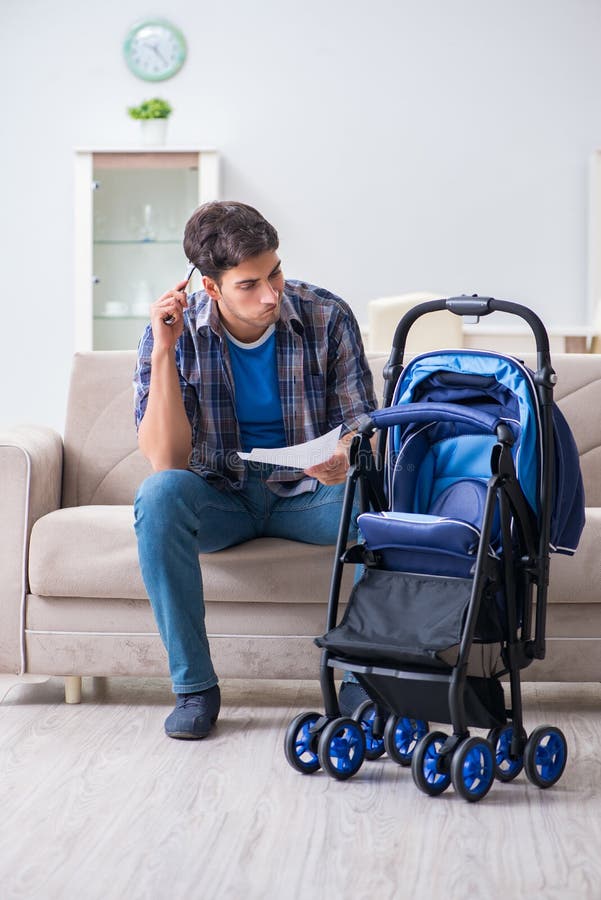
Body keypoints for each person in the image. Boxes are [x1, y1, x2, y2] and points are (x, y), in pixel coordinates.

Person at [133, 201, 376, 739]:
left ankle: (362, 679)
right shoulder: (176, 332)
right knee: (160, 494)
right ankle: (195, 688)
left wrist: (346, 455)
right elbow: (167, 460)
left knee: (375, 495)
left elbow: (362, 421)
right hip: (223, 499)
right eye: (249, 285)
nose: (271, 295)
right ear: (212, 288)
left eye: (275, 274)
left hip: (311, 495)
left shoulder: (327, 315)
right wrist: (164, 354)